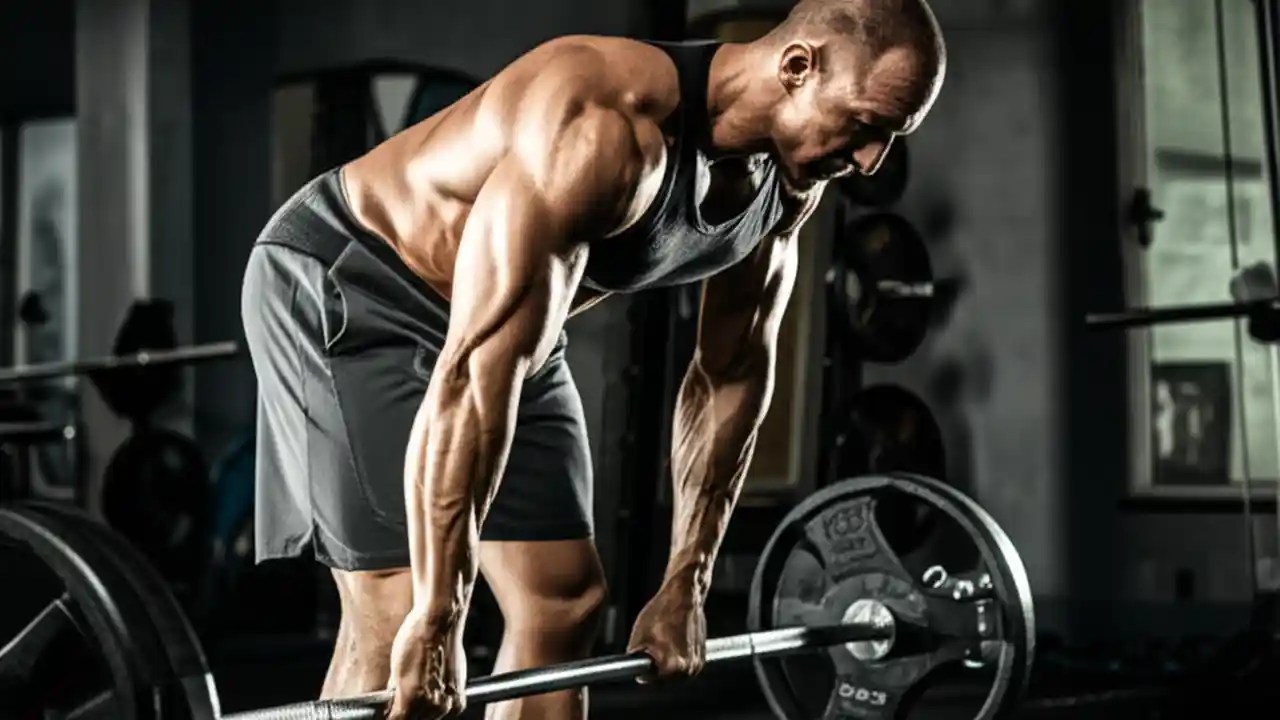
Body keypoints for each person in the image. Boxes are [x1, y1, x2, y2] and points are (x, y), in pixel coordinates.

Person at [240, 0, 946, 717]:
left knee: (564, 600)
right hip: (355, 282)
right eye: (864, 126)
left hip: (508, 330)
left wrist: (686, 581)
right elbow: (474, 373)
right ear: (798, 67)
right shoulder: (602, 123)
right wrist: (441, 613)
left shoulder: (786, 186)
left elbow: (729, 374)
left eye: (888, 138)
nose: (869, 161)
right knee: (398, 613)